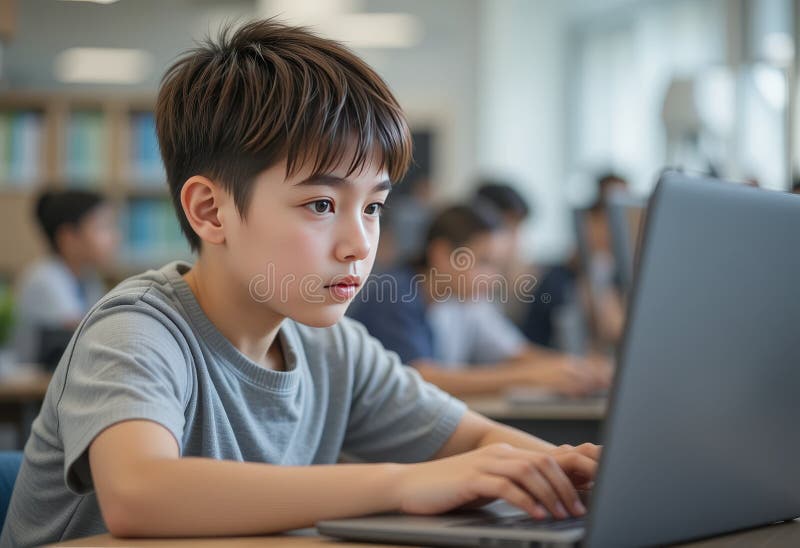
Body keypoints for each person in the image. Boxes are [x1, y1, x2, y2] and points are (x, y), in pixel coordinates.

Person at [1, 21, 601, 547]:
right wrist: (402, 481)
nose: (360, 244)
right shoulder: (137, 330)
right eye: (320, 203)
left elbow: (473, 439)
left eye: (372, 207)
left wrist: (574, 469)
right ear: (211, 212)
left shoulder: (332, 350)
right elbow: (140, 492)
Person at [349, 202, 610, 398]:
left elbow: (515, 353)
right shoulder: (396, 293)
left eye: (498, 266)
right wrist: (530, 377)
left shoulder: (462, 301)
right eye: (484, 263)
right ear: (441, 254)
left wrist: (575, 368)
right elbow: (420, 377)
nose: (494, 278)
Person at [12, 189, 119, 364]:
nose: (115, 237)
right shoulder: (44, 278)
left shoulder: (88, 278)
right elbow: (89, 334)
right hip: (28, 385)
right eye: (102, 227)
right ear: (68, 238)